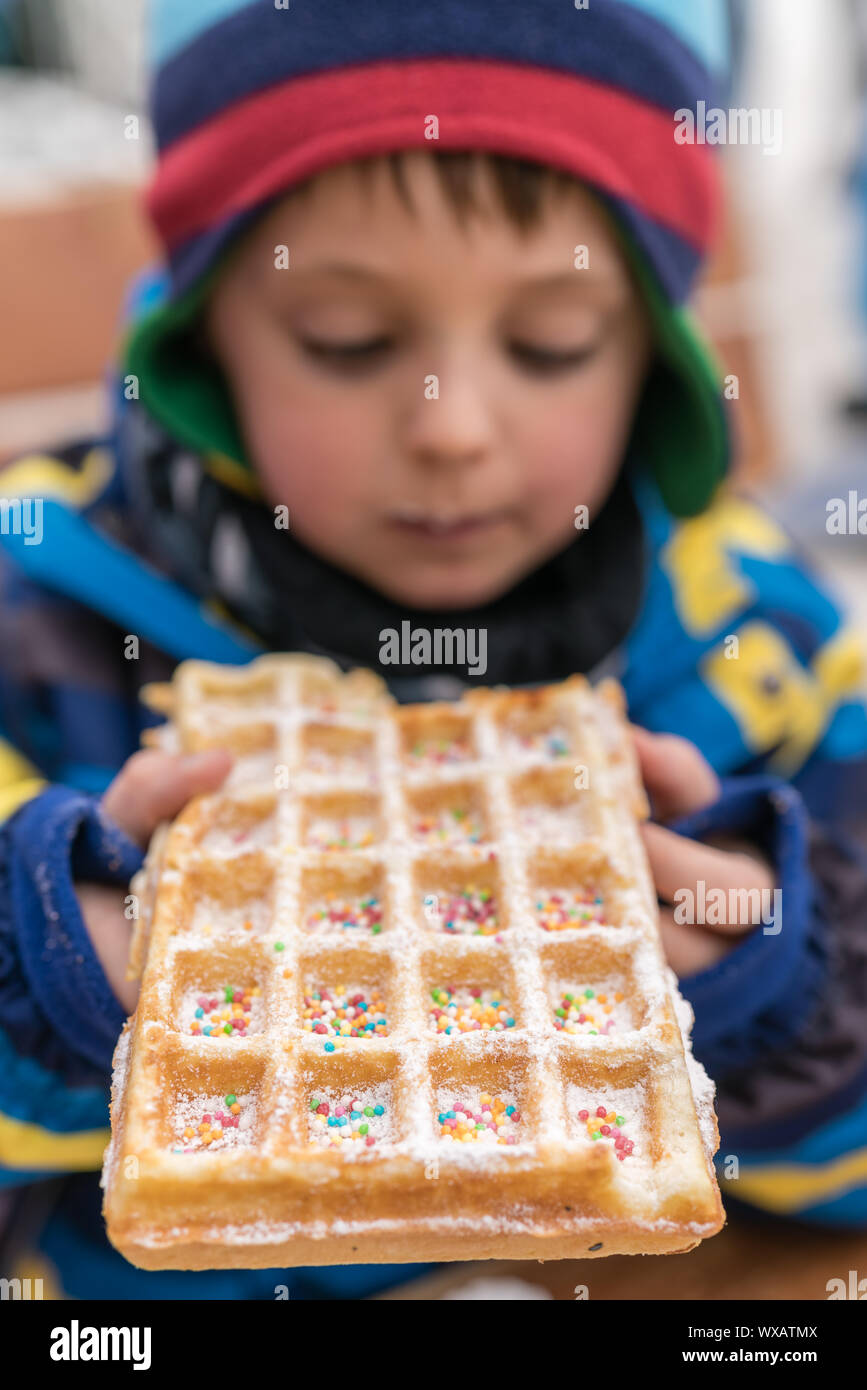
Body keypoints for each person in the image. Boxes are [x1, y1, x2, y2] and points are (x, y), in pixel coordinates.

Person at [1, 0, 866, 1300]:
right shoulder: (41, 620)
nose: (453, 427)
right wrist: (41, 972)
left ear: (656, 356)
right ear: (206, 343)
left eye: (551, 343)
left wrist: (782, 992)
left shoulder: (760, 643)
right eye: (347, 342)